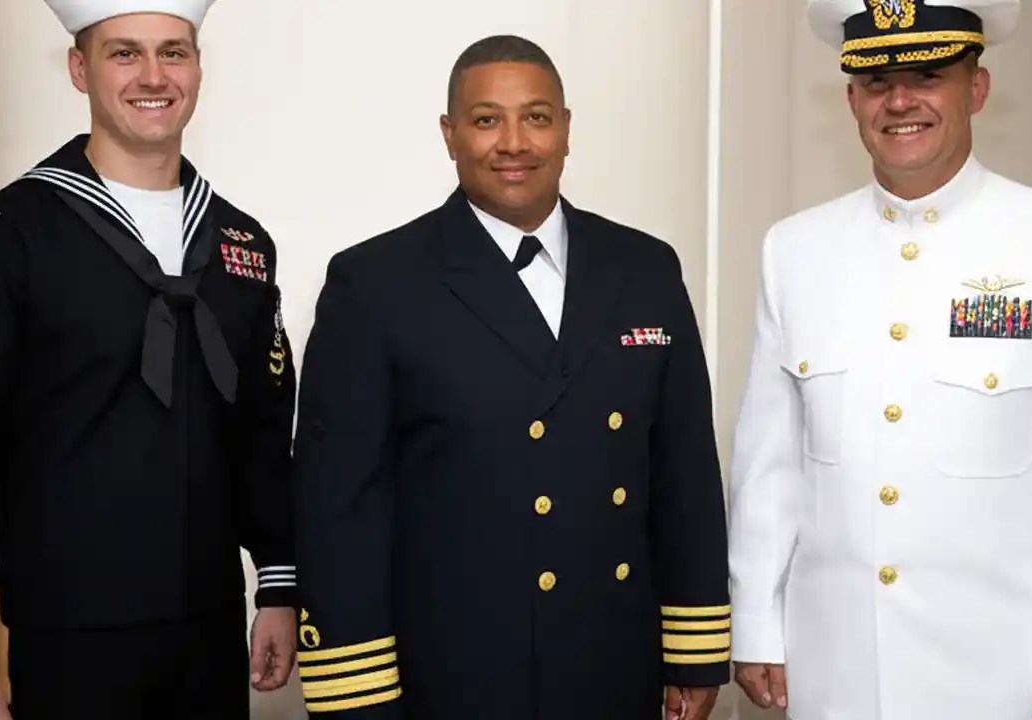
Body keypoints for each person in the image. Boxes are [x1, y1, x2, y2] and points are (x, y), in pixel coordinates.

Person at [727, 1, 1032, 718]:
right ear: (852, 99)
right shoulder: (795, 251)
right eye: (877, 82)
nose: (900, 102)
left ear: (976, 89)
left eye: (928, 76)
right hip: (835, 673)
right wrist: (757, 623)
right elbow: (769, 466)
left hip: (1005, 679)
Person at [290, 34, 730, 719]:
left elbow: (685, 473)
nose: (514, 143)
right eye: (487, 119)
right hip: (456, 676)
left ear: (567, 129)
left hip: (615, 664)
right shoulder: (375, 284)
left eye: (537, 117)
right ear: (450, 134)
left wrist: (694, 650)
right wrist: (358, 696)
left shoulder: (645, 269)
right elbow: (338, 510)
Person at [0, 2, 300, 717]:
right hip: (69, 630)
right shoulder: (5, 237)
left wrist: (277, 583)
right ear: (79, 69)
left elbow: (263, 435)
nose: (154, 76)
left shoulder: (241, 243)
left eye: (173, 52)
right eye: (124, 53)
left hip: (209, 623)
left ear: (197, 67)